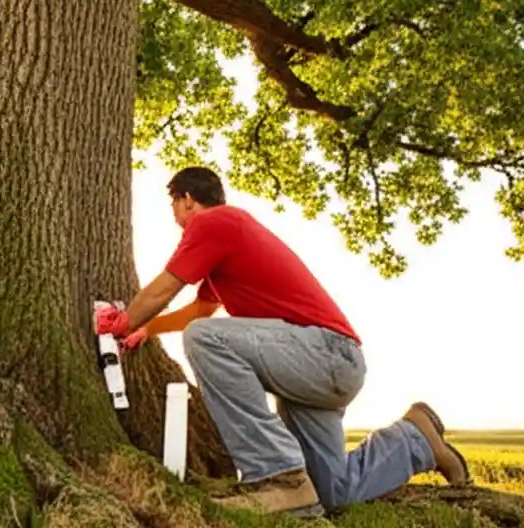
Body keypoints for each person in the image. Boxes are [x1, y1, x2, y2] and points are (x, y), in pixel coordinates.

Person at [95, 166, 469, 517]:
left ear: (187, 198)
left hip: (324, 354)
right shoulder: (228, 240)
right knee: (331, 492)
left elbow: (166, 287)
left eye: (174, 206)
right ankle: (415, 438)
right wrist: (147, 330)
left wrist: (125, 323)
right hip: (320, 370)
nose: (175, 217)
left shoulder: (214, 222)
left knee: (205, 340)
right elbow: (199, 310)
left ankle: (279, 476)